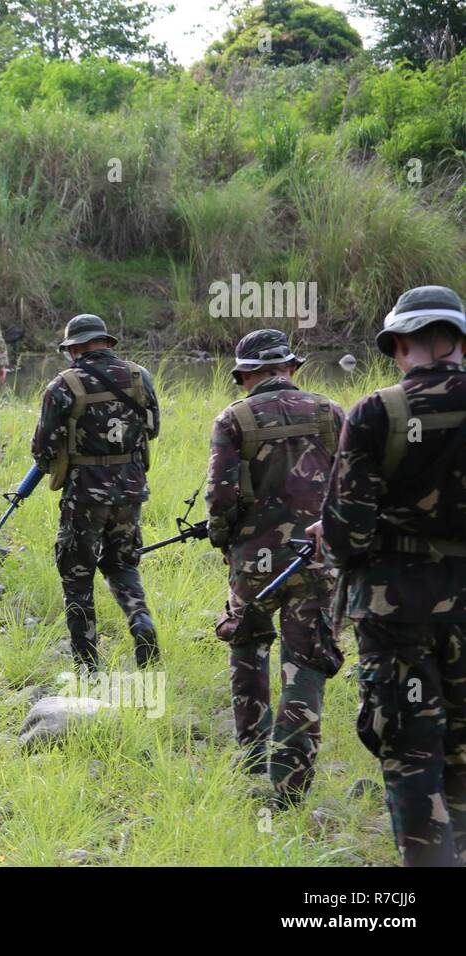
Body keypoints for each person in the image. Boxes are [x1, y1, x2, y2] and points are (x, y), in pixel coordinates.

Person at [311, 285, 466, 867]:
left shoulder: (377, 413)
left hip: (394, 609)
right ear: (459, 342)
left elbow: (347, 532)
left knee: (410, 753)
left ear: (400, 344)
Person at [205, 329, 345, 805]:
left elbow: (220, 496)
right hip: (318, 557)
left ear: (246, 375)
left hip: (254, 561)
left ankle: (251, 754)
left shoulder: (234, 418)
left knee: (247, 646)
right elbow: (354, 488)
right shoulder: (331, 412)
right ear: (291, 368)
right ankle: (291, 784)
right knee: (306, 661)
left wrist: (224, 541)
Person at [31, 314, 160, 672]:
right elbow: (154, 428)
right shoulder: (139, 376)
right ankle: (140, 619)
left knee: (77, 575)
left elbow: (42, 450)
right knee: (122, 563)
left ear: (73, 348)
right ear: (106, 342)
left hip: (85, 494)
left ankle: (88, 664)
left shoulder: (63, 385)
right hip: (131, 490)